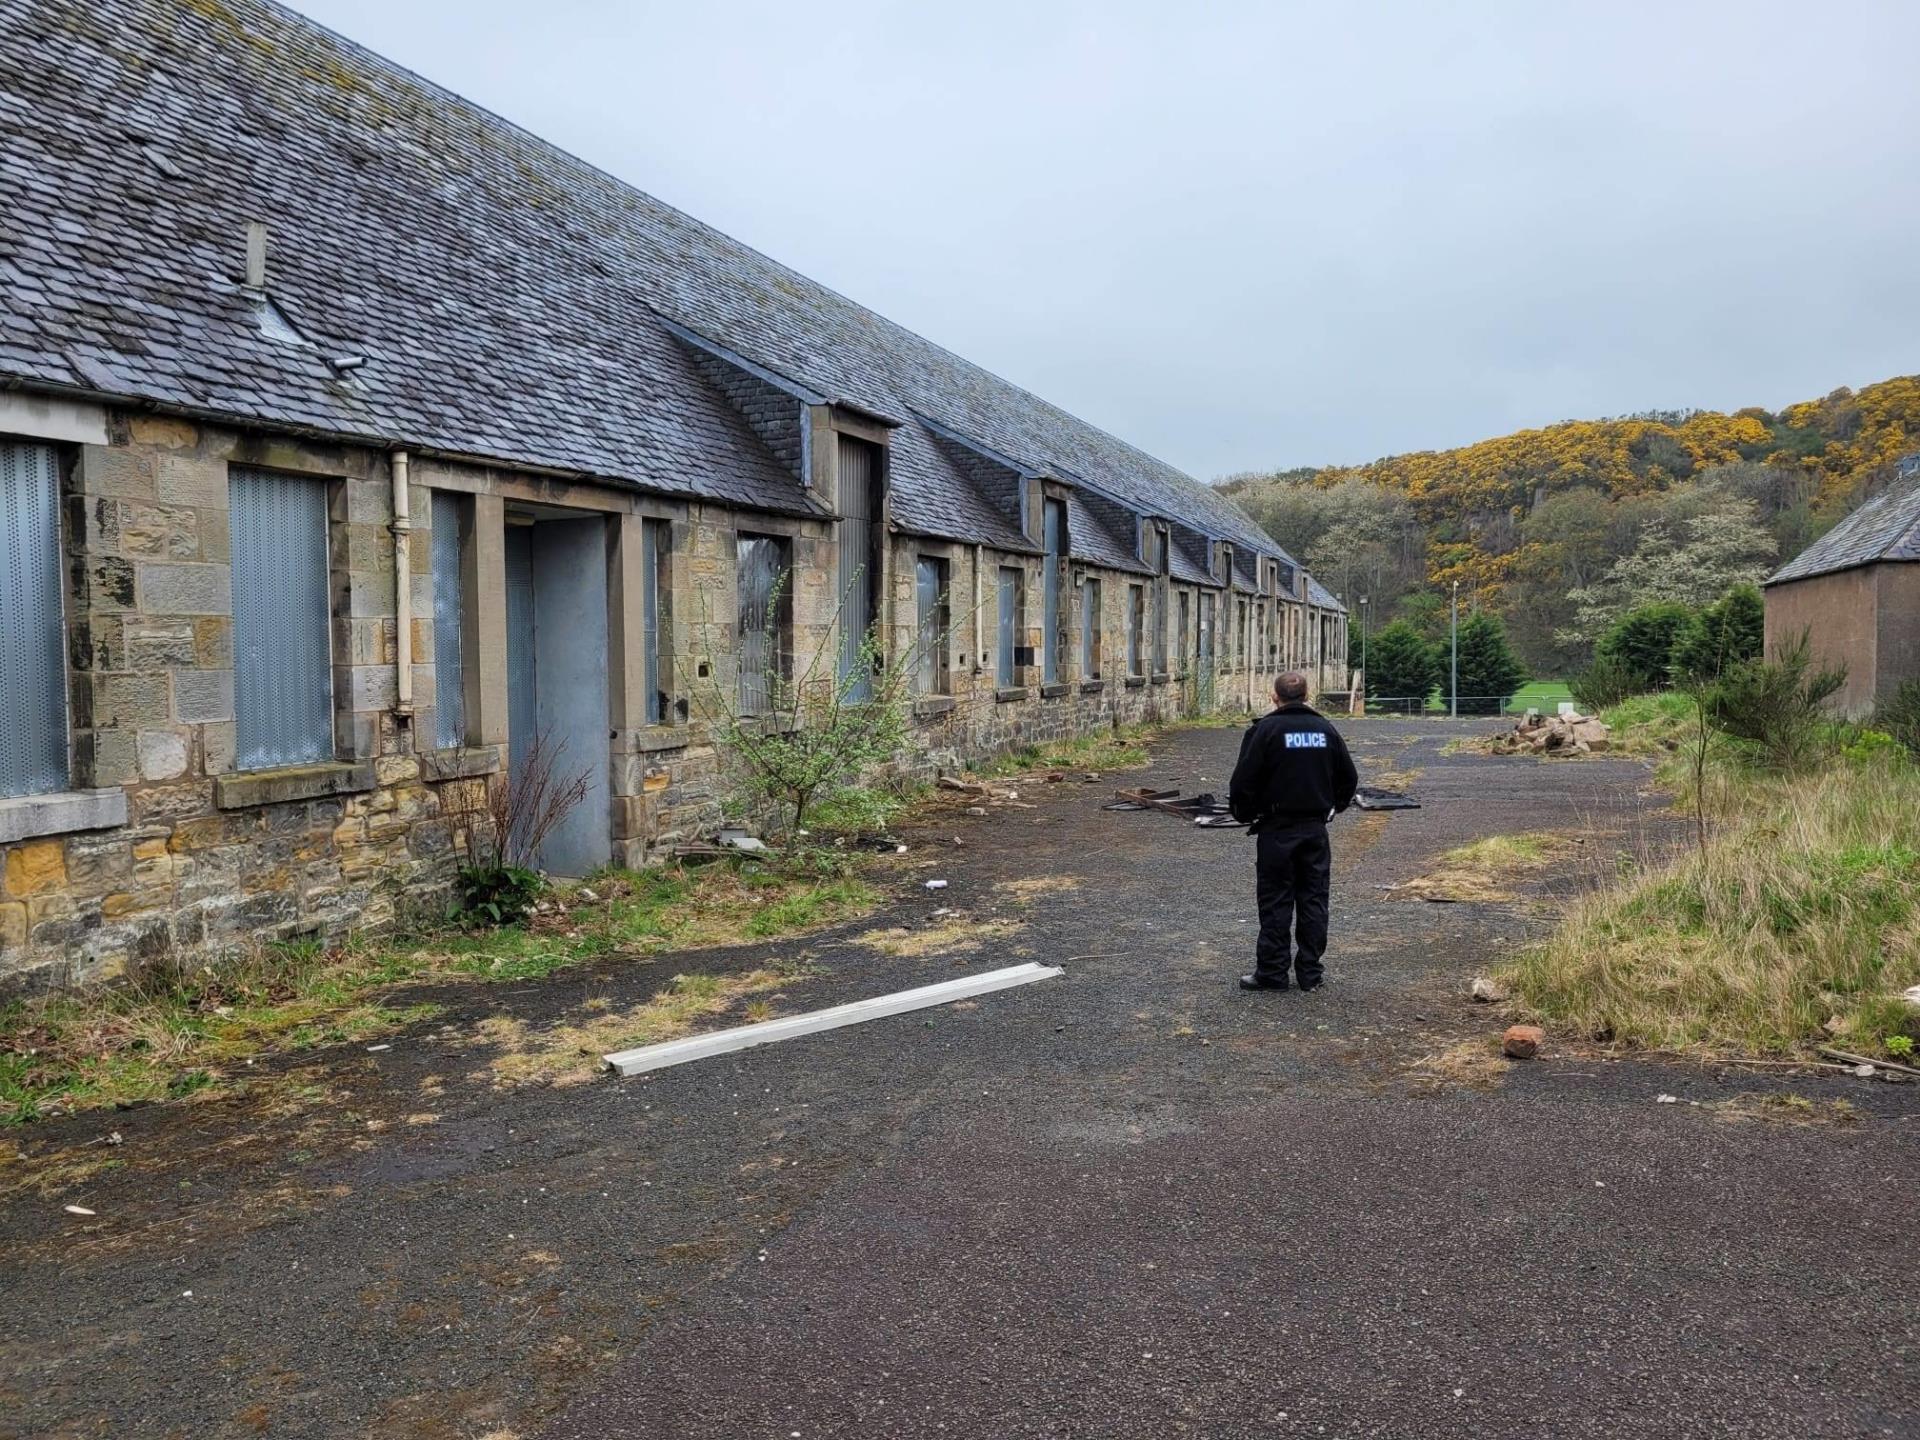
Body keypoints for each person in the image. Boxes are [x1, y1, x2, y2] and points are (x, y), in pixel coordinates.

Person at [1227, 671, 1358, 992]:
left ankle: (1272, 973)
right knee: (1314, 899)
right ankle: (1310, 973)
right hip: (1314, 829)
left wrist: (1245, 813)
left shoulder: (1265, 731)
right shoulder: (1326, 730)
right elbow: (1349, 778)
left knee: (1276, 900)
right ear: (1307, 695)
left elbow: (1243, 782)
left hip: (1276, 829)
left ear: (1274, 697)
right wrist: (1333, 807)